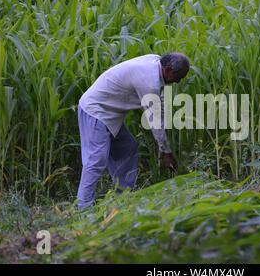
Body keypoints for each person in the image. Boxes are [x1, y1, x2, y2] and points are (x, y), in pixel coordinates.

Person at [77, 52, 190, 210]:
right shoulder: (149, 82)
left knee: (128, 147)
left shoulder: (156, 62)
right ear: (168, 69)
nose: (178, 81)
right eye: (179, 77)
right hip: (96, 111)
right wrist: (166, 152)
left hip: (111, 115)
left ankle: (121, 199)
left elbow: (159, 103)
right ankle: (83, 208)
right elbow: (155, 121)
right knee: (95, 161)